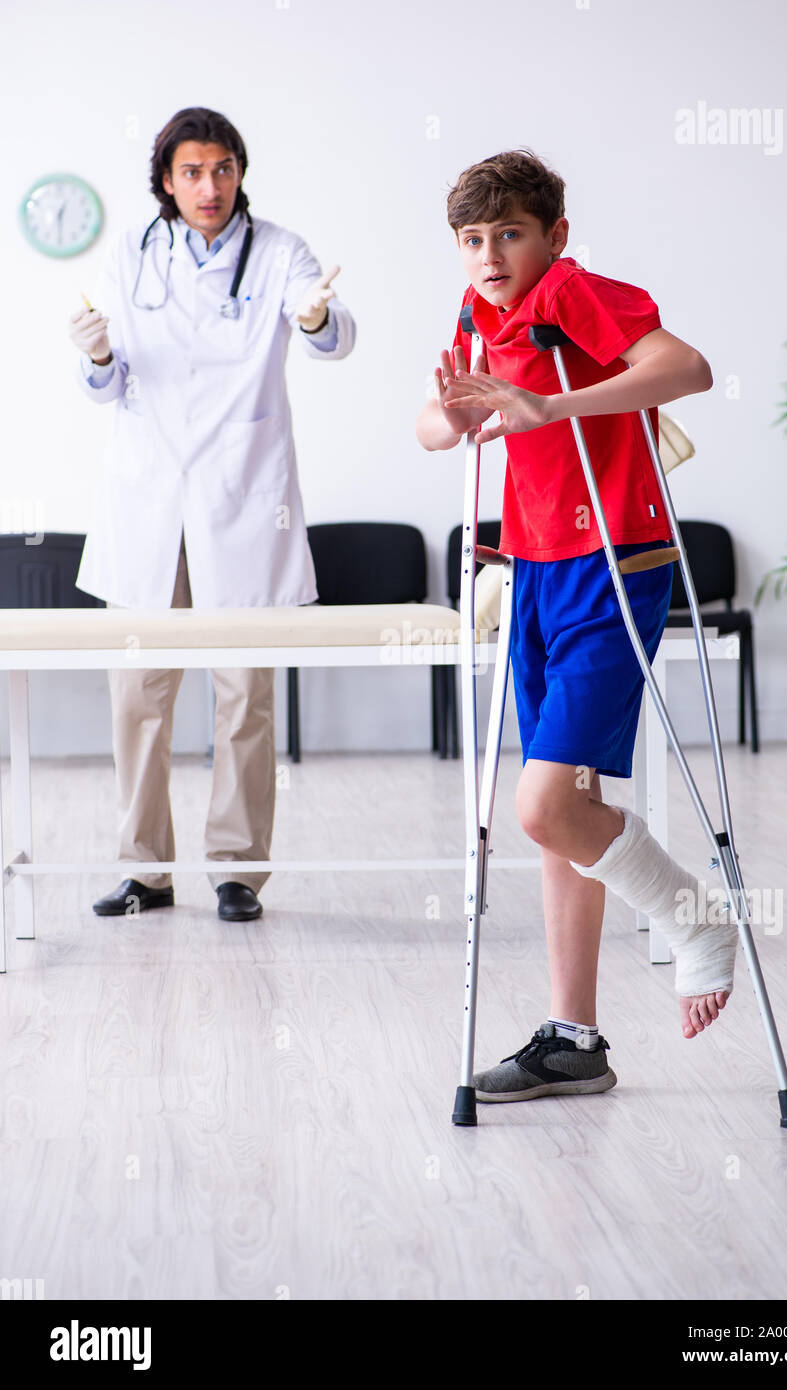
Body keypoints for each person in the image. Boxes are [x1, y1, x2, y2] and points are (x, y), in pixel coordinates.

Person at [416, 149, 737, 1104]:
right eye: (471, 239)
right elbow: (431, 428)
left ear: (553, 235)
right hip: (533, 571)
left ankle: (694, 919)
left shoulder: (572, 291)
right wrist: (453, 417)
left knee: (545, 803)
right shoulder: (478, 314)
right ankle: (573, 1039)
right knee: (566, 811)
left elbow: (686, 368)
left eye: (508, 234)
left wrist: (548, 405)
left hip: (611, 563)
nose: (488, 256)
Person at [68, 107, 356, 923]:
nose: (209, 185)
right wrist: (96, 354)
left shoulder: (279, 251)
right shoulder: (130, 253)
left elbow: (333, 337)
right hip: (148, 499)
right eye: (192, 171)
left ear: (239, 173)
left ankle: (237, 872)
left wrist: (316, 319)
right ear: (166, 180)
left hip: (243, 498)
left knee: (244, 698)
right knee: (137, 699)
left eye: (223, 168)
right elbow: (106, 384)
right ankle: (144, 871)